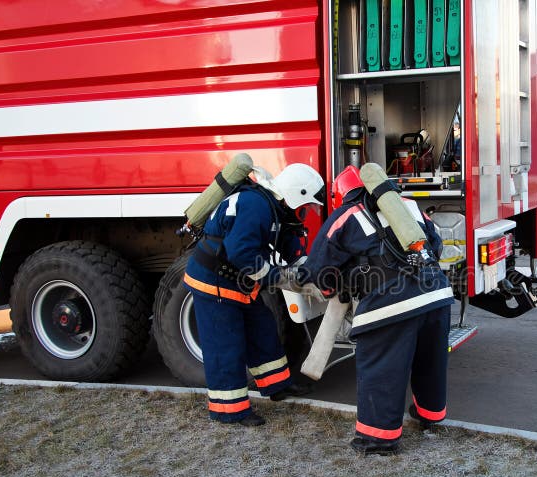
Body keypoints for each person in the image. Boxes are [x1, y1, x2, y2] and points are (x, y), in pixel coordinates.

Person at [296, 164, 454, 454]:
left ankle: (377, 439)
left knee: (381, 368)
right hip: (437, 295)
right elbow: (436, 245)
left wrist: (334, 289)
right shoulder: (409, 206)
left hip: (389, 304)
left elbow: (318, 269)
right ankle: (431, 415)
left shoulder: (346, 215)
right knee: (429, 362)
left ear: (342, 194)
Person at [183, 163, 325, 426]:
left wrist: (303, 265)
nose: (304, 212)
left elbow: (287, 237)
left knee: (263, 331)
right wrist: (276, 276)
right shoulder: (255, 205)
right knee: (226, 347)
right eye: (305, 205)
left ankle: (276, 386)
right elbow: (241, 253)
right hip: (214, 283)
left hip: (239, 283)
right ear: (296, 194)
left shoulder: (275, 206)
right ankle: (230, 410)